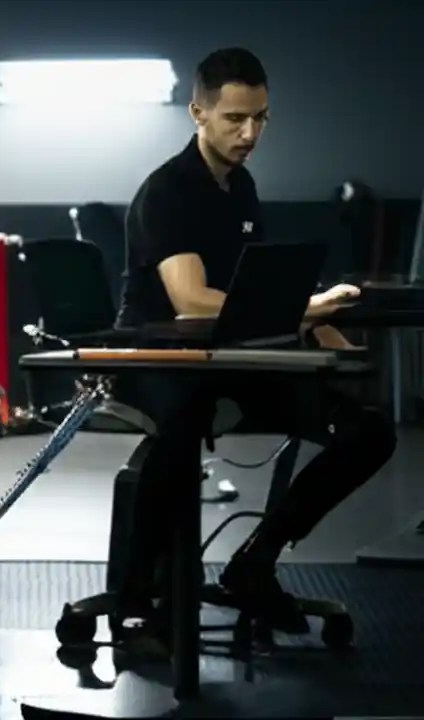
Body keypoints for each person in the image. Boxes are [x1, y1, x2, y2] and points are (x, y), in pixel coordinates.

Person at [113, 47, 398, 633]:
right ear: (198, 112)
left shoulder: (240, 189)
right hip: (157, 360)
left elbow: (262, 300)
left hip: (231, 359)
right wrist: (307, 309)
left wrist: (337, 349)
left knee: (369, 430)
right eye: (234, 119)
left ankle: (255, 562)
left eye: (261, 118)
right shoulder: (167, 191)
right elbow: (192, 300)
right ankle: (140, 596)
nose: (250, 133)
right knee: (183, 420)